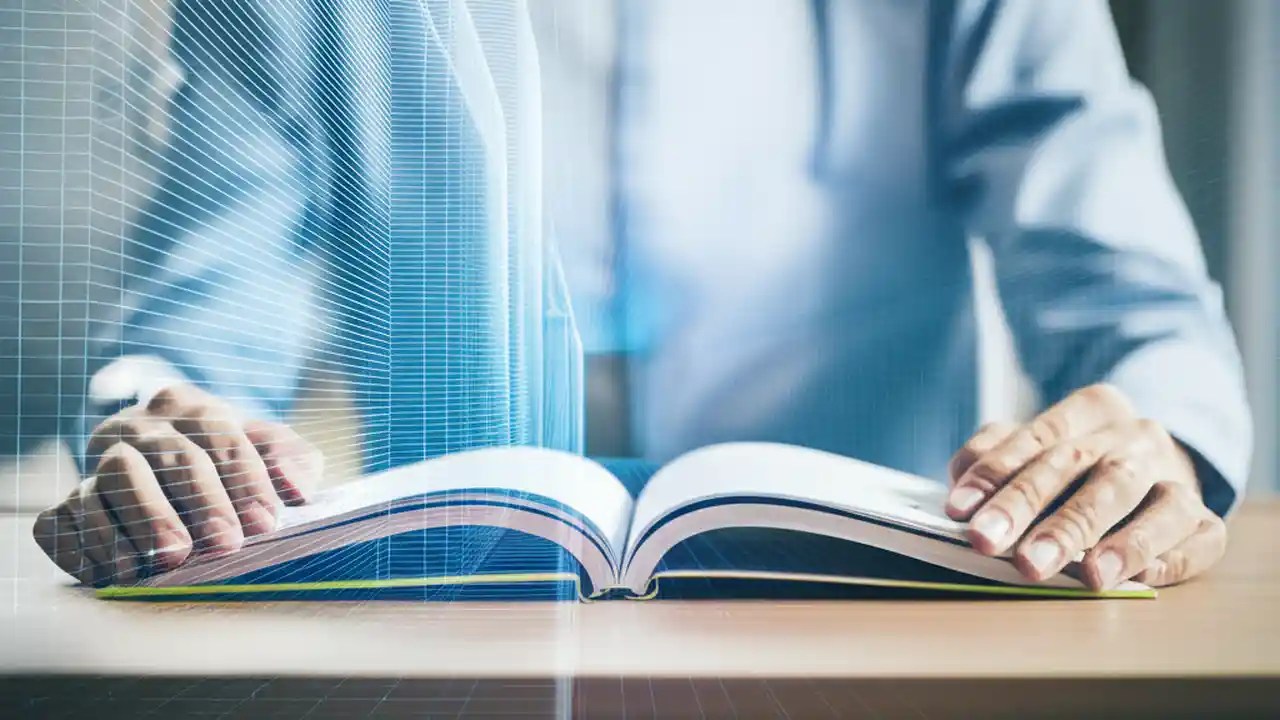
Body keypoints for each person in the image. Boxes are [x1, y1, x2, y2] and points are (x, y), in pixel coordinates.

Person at [34, 0, 1251, 594]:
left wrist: (1161, 444)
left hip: (877, 605)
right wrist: (155, 414)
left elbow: (1131, 297)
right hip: (443, 620)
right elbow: (200, 319)